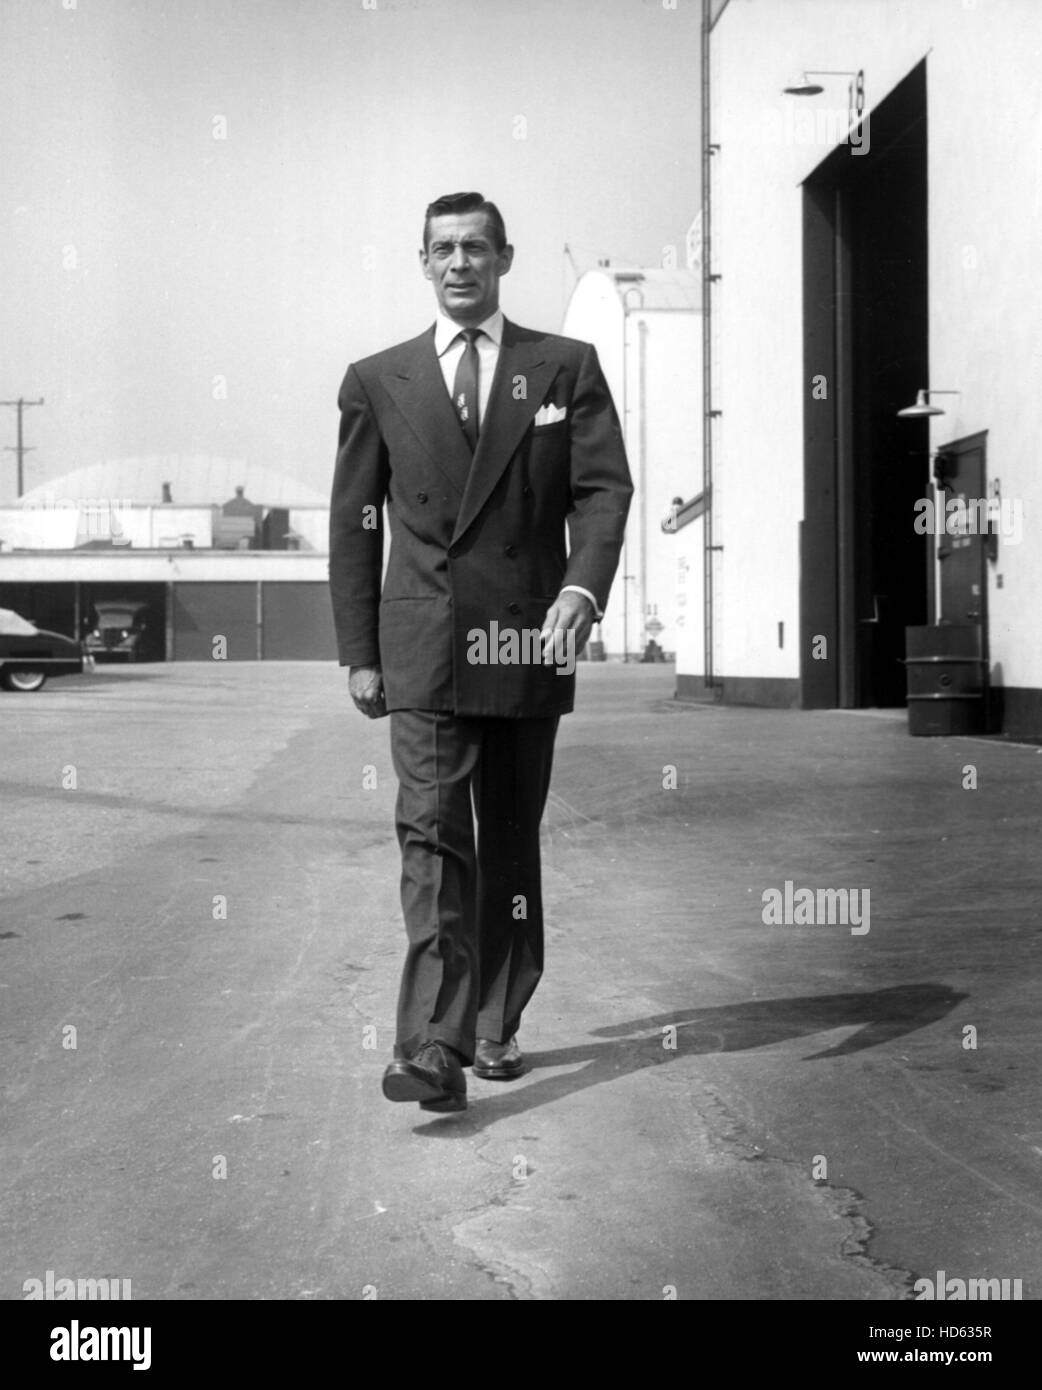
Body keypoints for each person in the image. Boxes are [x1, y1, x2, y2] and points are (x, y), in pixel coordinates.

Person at [329, 191, 632, 1113]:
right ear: (422, 263)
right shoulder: (377, 380)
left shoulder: (562, 367)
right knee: (430, 840)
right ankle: (429, 1044)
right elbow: (354, 524)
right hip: (421, 645)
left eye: (476, 248)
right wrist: (359, 650)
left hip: (525, 639)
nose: (460, 264)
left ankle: (497, 1019)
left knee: (506, 844)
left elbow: (604, 491)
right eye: (443, 250)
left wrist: (581, 591)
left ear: (505, 258)